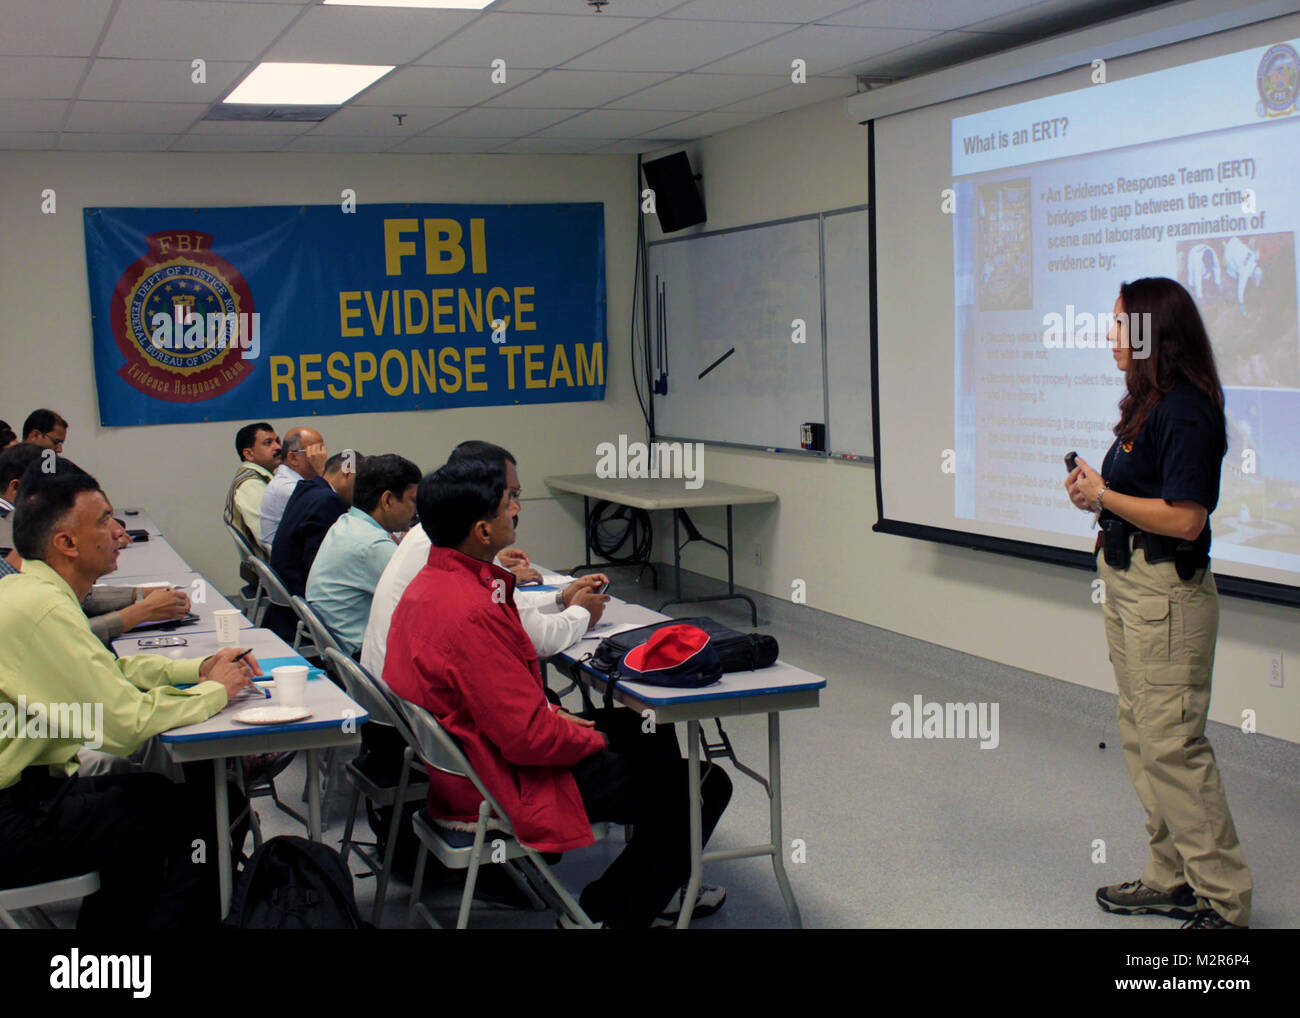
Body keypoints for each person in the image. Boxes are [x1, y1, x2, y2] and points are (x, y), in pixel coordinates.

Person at [384, 456, 731, 928]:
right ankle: (609, 914)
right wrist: (587, 736)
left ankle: (651, 881)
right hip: (503, 775)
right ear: (483, 532)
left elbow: (500, 704)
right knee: (704, 785)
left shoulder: (433, 583)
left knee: (643, 728)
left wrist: (548, 713)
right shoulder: (469, 610)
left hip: (472, 760)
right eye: (510, 503)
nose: (518, 510)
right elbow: (527, 739)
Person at [1066, 276, 1251, 930]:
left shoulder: (1188, 410)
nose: (1110, 337)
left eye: (1119, 325)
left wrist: (1106, 497)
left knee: (1172, 746)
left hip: (1166, 598)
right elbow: (1137, 494)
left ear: (1151, 333)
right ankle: (1172, 878)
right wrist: (1098, 490)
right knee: (1145, 740)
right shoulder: (1149, 403)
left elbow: (1185, 519)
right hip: (1131, 589)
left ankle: (1225, 906)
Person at [0, 468, 260, 928]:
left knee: (160, 796)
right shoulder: (43, 607)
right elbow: (125, 724)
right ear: (67, 544)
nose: (118, 532)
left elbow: (107, 673)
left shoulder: (31, 591)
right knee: (199, 812)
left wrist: (195, 669)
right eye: (104, 521)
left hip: (31, 795)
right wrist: (215, 691)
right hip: (13, 820)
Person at [361, 441, 610, 678]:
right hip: (418, 711)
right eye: (508, 497)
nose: (516, 508)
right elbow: (536, 640)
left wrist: (561, 598)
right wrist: (582, 612)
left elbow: (507, 608)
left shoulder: (437, 534)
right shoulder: (460, 546)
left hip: (398, 700)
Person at [306, 453, 421, 657]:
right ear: (387, 500)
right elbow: (423, 599)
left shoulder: (347, 523)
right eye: (412, 501)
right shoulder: (373, 546)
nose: (416, 510)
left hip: (340, 649)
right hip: (360, 653)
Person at [265, 450, 358, 641]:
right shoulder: (328, 501)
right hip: (302, 610)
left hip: (283, 605)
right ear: (348, 472)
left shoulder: (308, 488)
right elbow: (321, 566)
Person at [260, 426, 326, 548]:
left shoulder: (292, 482)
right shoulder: (289, 488)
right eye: (315, 452)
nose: (322, 457)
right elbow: (330, 508)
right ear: (293, 458)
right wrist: (322, 471)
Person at [225, 422, 281, 564]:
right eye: (268, 443)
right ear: (249, 454)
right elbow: (269, 540)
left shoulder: (260, 479)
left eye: (277, 441)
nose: (278, 447)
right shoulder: (250, 485)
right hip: (278, 569)